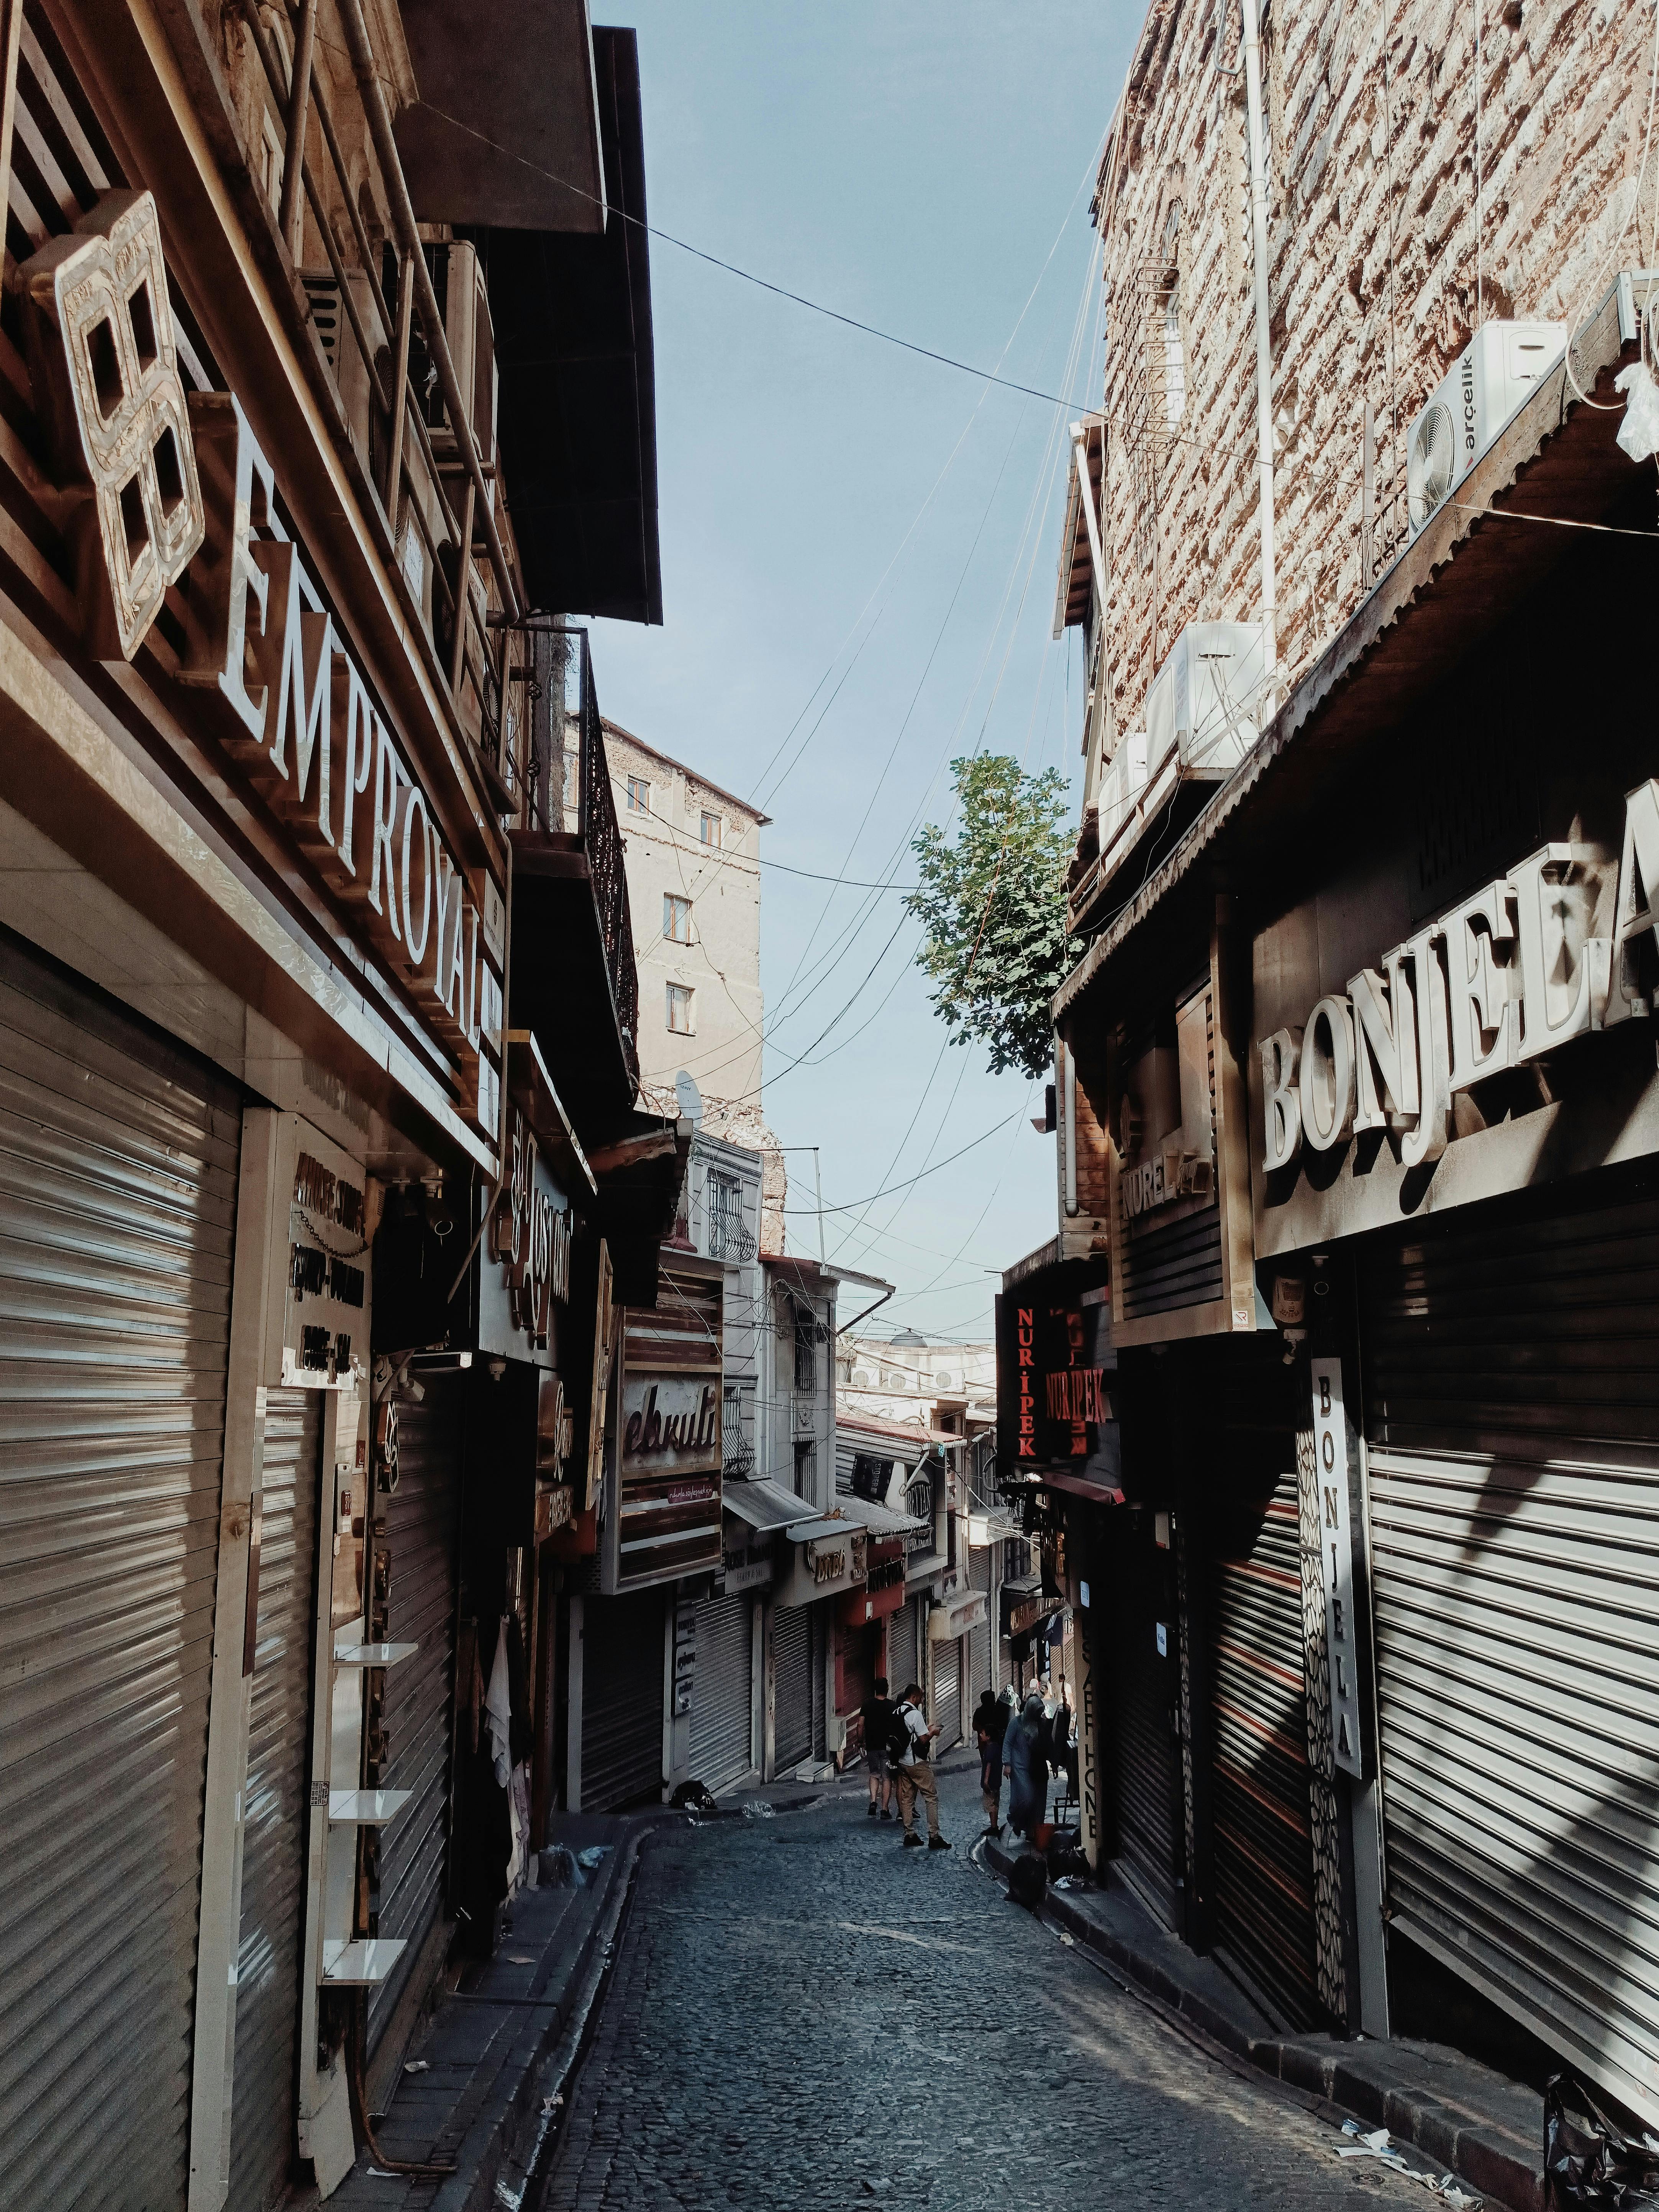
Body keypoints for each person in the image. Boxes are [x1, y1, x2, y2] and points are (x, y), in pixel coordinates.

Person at [890, 1681, 950, 1851]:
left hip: (901, 1761)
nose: (921, 1701)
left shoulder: (897, 1712)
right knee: (931, 1797)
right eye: (921, 1698)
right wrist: (933, 1732)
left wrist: (927, 1729)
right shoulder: (915, 1714)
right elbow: (923, 1739)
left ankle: (909, 1834)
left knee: (907, 1798)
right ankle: (934, 1836)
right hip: (915, 1761)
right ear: (914, 1697)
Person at [1003, 1691, 1048, 1837]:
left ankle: (1025, 1827)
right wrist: (1007, 1764)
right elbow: (1008, 1743)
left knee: (1033, 1801)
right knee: (1027, 1798)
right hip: (1019, 1767)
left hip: (1033, 1768)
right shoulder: (1016, 1723)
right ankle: (1015, 1818)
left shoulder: (1038, 1723)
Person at [972, 1687, 1007, 1836]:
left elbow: (975, 1726)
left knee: (987, 1763)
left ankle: (994, 1826)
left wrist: (986, 1781)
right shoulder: (997, 1710)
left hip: (987, 1747)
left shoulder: (980, 1712)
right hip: (996, 1745)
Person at [859, 1675, 895, 1820]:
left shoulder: (867, 1704)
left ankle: (873, 1801)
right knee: (887, 1778)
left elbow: (860, 1725)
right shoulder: (893, 1706)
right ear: (887, 1690)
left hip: (872, 1746)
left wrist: (861, 1742)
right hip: (887, 1747)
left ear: (875, 1690)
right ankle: (885, 1809)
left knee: (874, 1774)